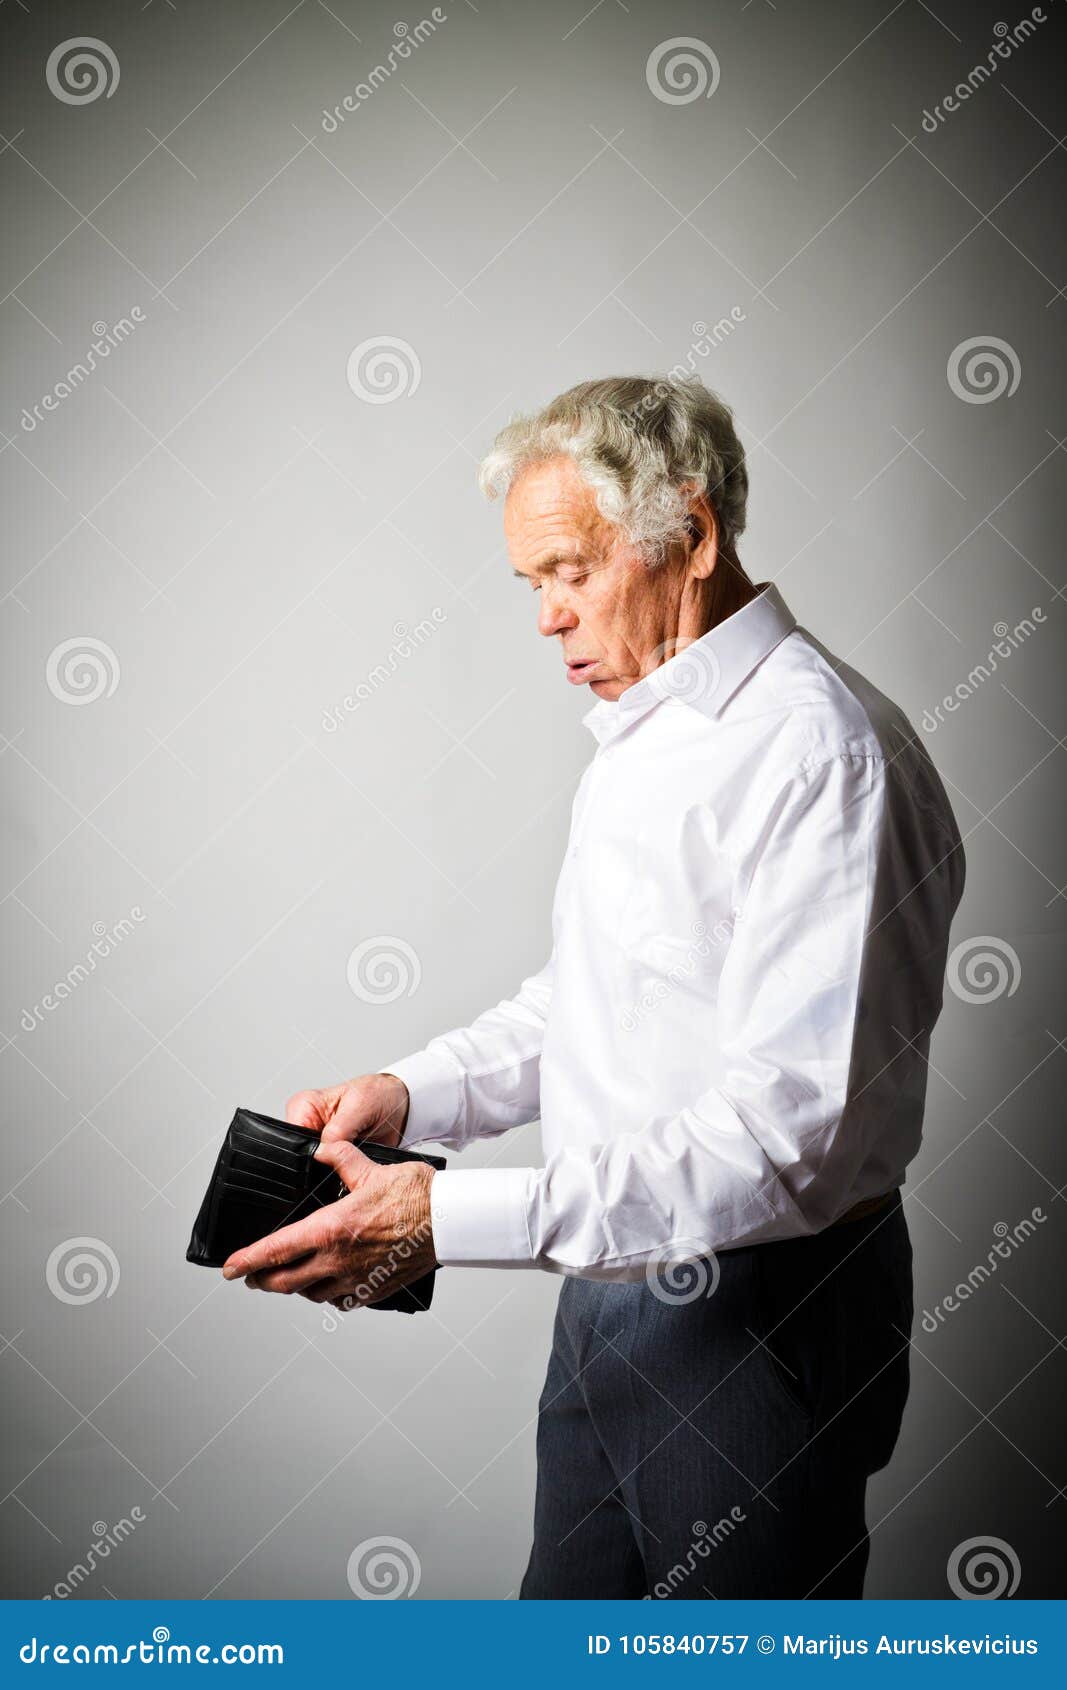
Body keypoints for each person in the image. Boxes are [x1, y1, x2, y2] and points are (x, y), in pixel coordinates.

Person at [222, 376, 966, 1598]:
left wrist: (442, 1223)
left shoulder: (821, 757)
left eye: (569, 569)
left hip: (755, 1313)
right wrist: (408, 1097)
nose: (546, 618)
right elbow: (590, 1001)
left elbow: (785, 1146)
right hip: (608, 1284)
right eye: (531, 584)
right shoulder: (648, 727)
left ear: (693, 531)